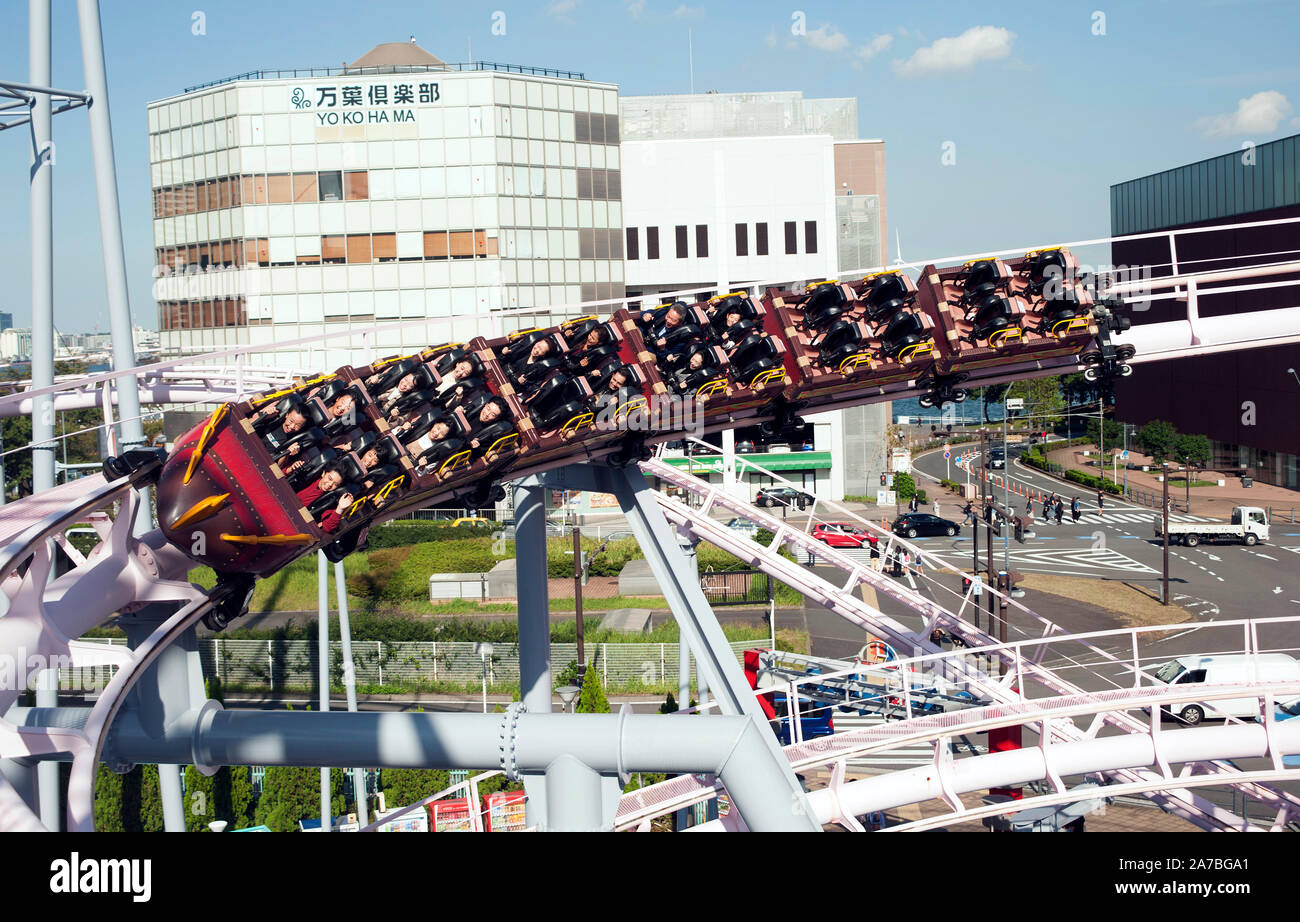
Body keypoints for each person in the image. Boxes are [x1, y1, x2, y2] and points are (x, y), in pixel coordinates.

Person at [295, 467, 353, 534]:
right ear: (323, 473)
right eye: (330, 478)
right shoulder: (310, 477)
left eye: (336, 484)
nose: (330, 484)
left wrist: (340, 508)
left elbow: (327, 528)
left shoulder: (329, 501)